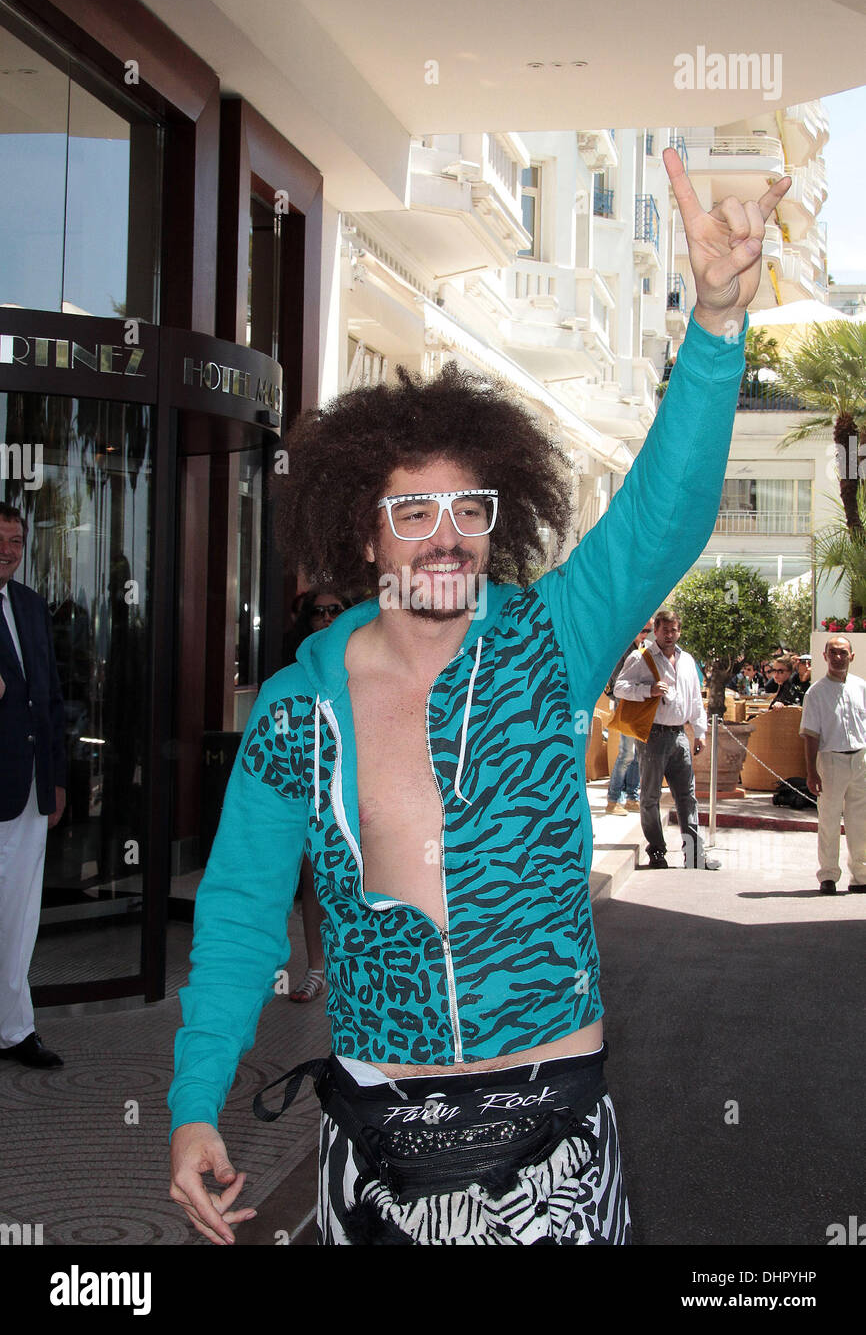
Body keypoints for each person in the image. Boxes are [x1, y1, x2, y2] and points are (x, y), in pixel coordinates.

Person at [168, 149, 788, 1247]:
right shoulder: (291, 714)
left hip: (551, 1130)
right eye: (413, 512)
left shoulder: (553, 637)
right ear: (364, 533)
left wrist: (716, 323)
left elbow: (663, 513)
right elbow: (236, 917)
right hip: (376, 1142)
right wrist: (189, 1106)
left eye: (468, 508)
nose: (446, 534)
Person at [0, 503, 67, 1069]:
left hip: (28, 791)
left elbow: (48, 700)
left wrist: (58, 779)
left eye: (16, 541)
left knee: (19, 917)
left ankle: (15, 1031)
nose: (7, 551)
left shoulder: (29, 605)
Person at [285, 590, 356, 1004]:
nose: (328, 618)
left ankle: (355, 969)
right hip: (312, 783)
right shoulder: (297, 670)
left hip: (361, 786)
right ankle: (316, 969)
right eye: (319, 612)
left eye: (336, 610)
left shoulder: (367, 659)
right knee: (314, 880)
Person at [614, 608, 718, 871]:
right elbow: (619, 687)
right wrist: (646, 691)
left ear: (679, 631)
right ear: (656, 631)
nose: (670, 635)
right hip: (653, 735)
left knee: (687, 796)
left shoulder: (686, 660)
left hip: (679, 735)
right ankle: (657, 851)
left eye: (674, 630)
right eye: (665, 630)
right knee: (650, 796)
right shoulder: (641, 657)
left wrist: (700, 732)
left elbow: (695, 698)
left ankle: (694, 854)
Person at [800, 636, 866, 896]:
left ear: (852, 656)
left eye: (843, 653)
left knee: (860, 821)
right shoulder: (815, 692)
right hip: (831, 760)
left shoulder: (862, 687)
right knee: (828, 820)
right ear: (825, 656)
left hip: (860, 759)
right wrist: (811, 771)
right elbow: (810, 735)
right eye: (833, 653)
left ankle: (861, 875)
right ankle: (828, 875)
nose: (838, 657)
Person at [604, 623, 652, 815]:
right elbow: (616, 681)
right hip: (626, 704)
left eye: (648, 631)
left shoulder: (645, 648)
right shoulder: (623, 648)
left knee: (637, 754)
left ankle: (632, 796)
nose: (645, 634)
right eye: (643, 630)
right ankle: (613, 799)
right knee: (627, 753)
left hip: (640, 704)